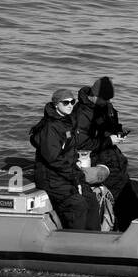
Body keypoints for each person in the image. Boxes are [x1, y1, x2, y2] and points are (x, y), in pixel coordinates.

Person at [29, 87, 102, 230]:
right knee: (77, 204)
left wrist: (77, 176)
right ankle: (75, 241)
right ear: (56, 104)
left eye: (72, 102)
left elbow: (71, 151)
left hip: (67, 174)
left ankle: (95, 239)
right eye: (65, 103)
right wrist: (74, 177)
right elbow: (54, 159)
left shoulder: (67, 122)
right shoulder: (50, 127)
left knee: (91, 199)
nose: (70, 105)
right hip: (51, 177)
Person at [73, 76, 135, 230]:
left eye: (109, 99)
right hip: (97, 161)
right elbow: (81, 143)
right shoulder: (82, 114)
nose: (107, 102)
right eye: (104, 99)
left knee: (127, 197)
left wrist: (118, 134)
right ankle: (111, 231)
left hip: (114, 159)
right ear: (94, 96)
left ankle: (125, 229)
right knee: (113, 200)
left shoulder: (108, 107)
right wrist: (109, 141)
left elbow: (112, 127)